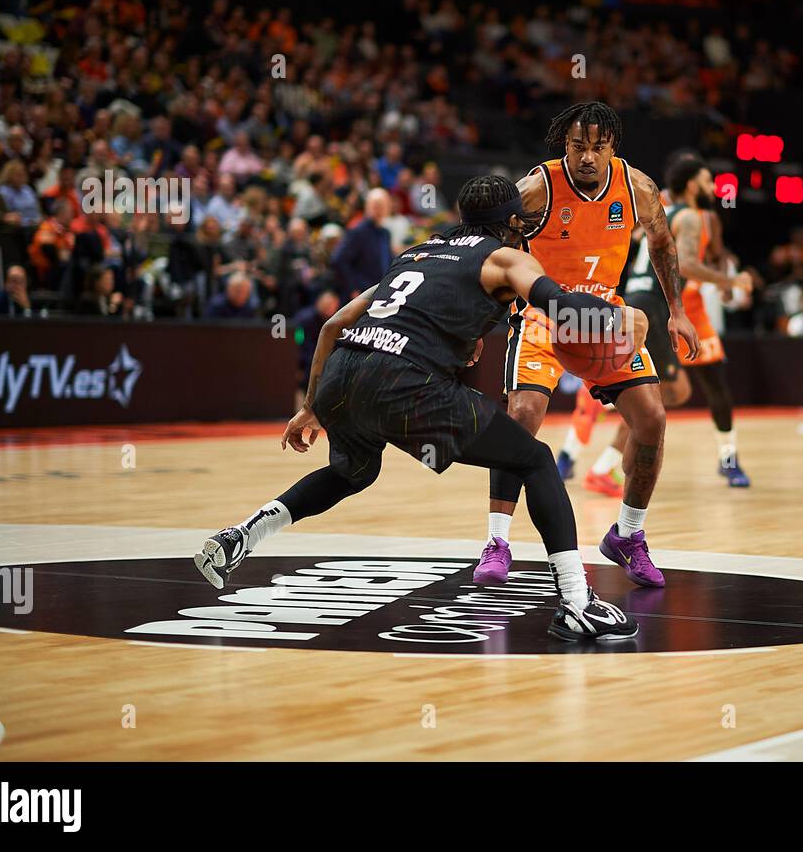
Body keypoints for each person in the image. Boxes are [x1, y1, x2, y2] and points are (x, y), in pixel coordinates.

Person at [194, 175, 645, 640]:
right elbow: (556, 303)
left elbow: (332, 325)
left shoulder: (419, 252)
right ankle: (575, 602)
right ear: (513, 221)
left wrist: (311, 406)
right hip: (403, 380)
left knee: (354, 472)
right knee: (534, 458)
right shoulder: (506, 256)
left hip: (344, 374)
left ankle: (240, 535)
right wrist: (616, 318)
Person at [476, 101, 699, 589]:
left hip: (603, 316)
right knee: (524, 416)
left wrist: (677, 311)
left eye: (598, 148)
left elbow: (662, 244)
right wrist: (476, 325)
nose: (588, 158)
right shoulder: (536, 189)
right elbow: (490, 250)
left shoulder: (637, 187)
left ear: (611, 147)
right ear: (565, 146)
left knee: (653, 419)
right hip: (541, 314)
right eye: (579, 147)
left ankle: (628, 536)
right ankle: (497, 540)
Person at [558, 153, 754, 489]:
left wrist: (721, 277)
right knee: (664, 391)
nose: (713, 188)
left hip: (660, 303)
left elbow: (709, 253)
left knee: (696, 384)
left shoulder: (672, 211)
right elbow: (688, 264)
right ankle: (603, 463)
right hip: (662, 306)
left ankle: (728, 459)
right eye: (708, 181)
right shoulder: (686, 215)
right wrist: (731, 282)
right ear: (692, 185)